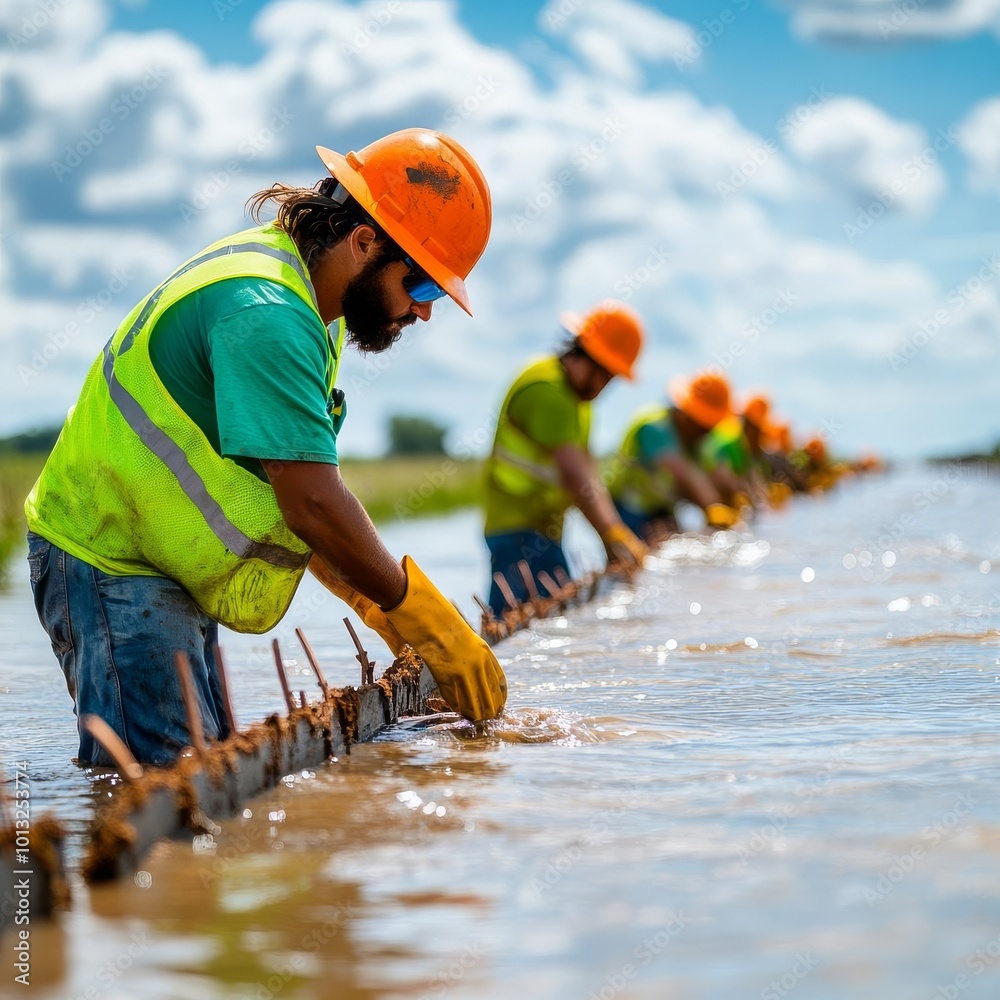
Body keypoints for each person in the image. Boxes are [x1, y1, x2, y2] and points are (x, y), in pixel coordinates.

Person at [25, 128, 507, 766]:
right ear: (364, 241)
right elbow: (311, 502)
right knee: (158, 793)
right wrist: (424, 619)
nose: (423, 314)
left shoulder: (309, 306)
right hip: (110, 556)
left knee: (204, 776)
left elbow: (294, 489)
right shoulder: (269, 312)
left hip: (156, 556)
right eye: (420, 288)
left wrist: (378, 603)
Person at [482, 301, 649, 616]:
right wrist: (613, 535)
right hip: (517, 531)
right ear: (590, 360)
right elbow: (578, 478)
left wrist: (611, 535)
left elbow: (589, 477)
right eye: (608, 376)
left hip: (541, 529)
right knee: (524, 626)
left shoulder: (576, 402)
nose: (606, 388)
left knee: (546, 623)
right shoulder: (549, 392)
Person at [608, 378, 740, 539]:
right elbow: (684, 475)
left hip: (659, 507)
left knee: (680, 547)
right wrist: (711, 506)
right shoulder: (655, 427)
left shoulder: (690, 440)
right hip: (624, 507)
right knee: (637, 559)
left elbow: (711, 475)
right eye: (704, 428)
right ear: (688, 416)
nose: (706, 435)